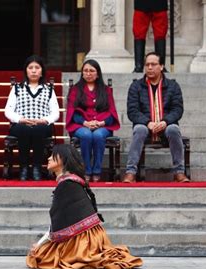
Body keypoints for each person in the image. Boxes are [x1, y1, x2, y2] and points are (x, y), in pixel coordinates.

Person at [26, 144, 143, 269]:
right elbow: (59, 220)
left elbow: (57, 223)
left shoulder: (67, 184)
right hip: (90, 236)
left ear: (64, 159)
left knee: (40, 257)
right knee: (43, 253)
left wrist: (39, 244)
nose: (48, 158)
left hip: (85, 241)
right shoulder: (71, 181)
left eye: (53, 155)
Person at [123, 52, 190, 183]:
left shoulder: (172, 86)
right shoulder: (136, 86)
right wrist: (148, 123)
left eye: (153, 64)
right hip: (146, 126)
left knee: (174, 129)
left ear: (161, 66)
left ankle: (179, 172)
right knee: (139, 129)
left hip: (166, 126)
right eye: (147, 64)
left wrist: (165, 122)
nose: (149, 67)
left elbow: (177, 110)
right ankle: (130, 172)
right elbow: (132, 111)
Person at [4, 55, 59, 181]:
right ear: (26, 70)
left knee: (38, 129)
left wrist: (44, 120)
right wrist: (20, 119)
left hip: (42, 124)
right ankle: (23, 167)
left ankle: (37, 167)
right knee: (25, 129)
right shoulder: (17, 88)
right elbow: (8, 111)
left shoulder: (49, 89)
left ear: (42, 71)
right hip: (20, 124)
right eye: (30, 68)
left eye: (37, 68)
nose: (34, 71)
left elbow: (55, 112)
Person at [65, 59, 120, 182]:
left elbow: (112, 113)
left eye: (91, 71)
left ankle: (97, 170)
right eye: (85, 71)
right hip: (80, 124)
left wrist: (101, 123)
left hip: (102, 125)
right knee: (86, 135)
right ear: (82, 73)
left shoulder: (106, 90)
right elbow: (72, 112)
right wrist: (85, 123)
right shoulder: (75, 89)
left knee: (98, 135)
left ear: (98, 73)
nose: (88, 73)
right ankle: (86, 170)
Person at [132, 0, 168, 72]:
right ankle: (138, 66)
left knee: (160, 34)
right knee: (139, 33)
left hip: (159, 4)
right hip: (141, 4)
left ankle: (160, 65)